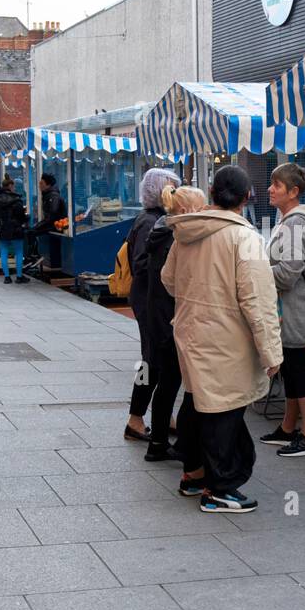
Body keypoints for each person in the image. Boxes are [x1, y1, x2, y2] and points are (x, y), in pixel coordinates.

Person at [162, 165, 281, 514]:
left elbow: (169, 279)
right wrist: (271, 352)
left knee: (198, 402)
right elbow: (258, 301)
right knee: (223, 412)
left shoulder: (185, 233)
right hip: (228, 338)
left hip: (191, 331)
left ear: (212, 193)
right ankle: (220, 488)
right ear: (246, 198)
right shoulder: (244, 238)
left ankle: (193, 475)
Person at [138, 183, 208, 468]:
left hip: (160, 316)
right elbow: (177, 283)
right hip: (171, 318)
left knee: (167, 382)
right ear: (186, 211)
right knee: (173, 383)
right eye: (201, 208)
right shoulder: (176, 238)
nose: (205, 213)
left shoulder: (161, 230)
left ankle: (158, 443)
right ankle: (163, 444)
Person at [261, 162, 305, 458]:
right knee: (289, 367)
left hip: (297, 309)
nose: (270, 189)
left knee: (299, 369)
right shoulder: (287, 220)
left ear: (293, 192)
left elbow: (289, 272)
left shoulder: (295, 223)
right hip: (291, 307)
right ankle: (288, 428)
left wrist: (256, 273)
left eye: (277, 185)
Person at [124, 167, 180, 443]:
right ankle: (135, 419)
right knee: (152, 361)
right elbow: (141, 264)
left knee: (159, 361)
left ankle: (163, 415)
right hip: (149, 301)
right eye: (170, 186)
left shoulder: (158, 218)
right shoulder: (151, 221)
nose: (175, 191)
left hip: (153, 299)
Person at [0, 174, 30, 285]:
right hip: (16, 229)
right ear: (10, 186)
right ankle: (19, 276)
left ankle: (7, 277)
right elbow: (21, 216)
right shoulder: (17, 199)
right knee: (18, 252)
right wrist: (26, 218)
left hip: (2, 228)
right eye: (14, 186)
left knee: (4, 252)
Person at [29, 172, 68, 237]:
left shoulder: (53, 196)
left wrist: (37, 227)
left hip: (57, 230)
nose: (39, 185)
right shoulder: (47, 195)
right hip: (54, 228)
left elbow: (52, 217)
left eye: (41, 183)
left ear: (48, 185)